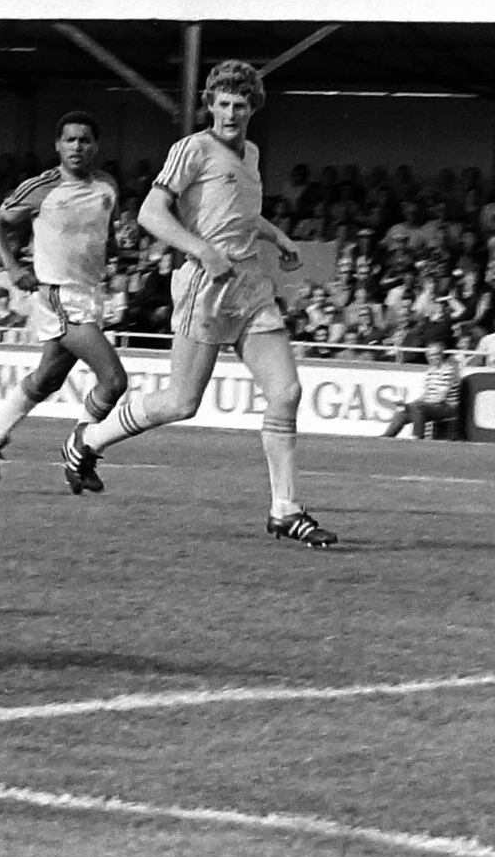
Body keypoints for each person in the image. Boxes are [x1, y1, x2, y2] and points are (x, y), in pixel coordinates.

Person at [65, 60, 339, 547]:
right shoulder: (192, 149)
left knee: (287, 392)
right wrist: (201, 250)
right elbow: (150, 212)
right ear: (209, 105)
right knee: (181, 402)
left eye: (240, 105)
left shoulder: (251, 153)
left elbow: (241, 217)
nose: (230, 113)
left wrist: (279, 238)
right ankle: (87, 441)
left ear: (253, 107)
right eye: (223, 104)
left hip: (250, 285)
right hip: (204, 286)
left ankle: (285, 509)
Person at [0, 112, 128, 481]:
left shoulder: (107, 186)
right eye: (70, 140)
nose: (77, 146)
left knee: (48, 380)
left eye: (85, 140)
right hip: (58, 295)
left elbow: (107, 238)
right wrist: (11, 267)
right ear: (57, 145)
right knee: (114, 381)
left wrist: (117, 249)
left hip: (91, 293)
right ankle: (80, 448)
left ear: (96, 146)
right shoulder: (41, 188)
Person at [383, 326, 464, 440]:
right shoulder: (430, 372)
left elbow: (440, 397)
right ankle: (387, 436)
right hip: (431, 405)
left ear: (441, 355)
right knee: (403, 410)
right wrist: (407, 405)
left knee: (418, 407)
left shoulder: (449, 371)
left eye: (436, 355)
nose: (433, 358)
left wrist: (417, 405)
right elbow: (425, 395)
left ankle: (417, 435)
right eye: (430, 355)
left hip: (447, 407)